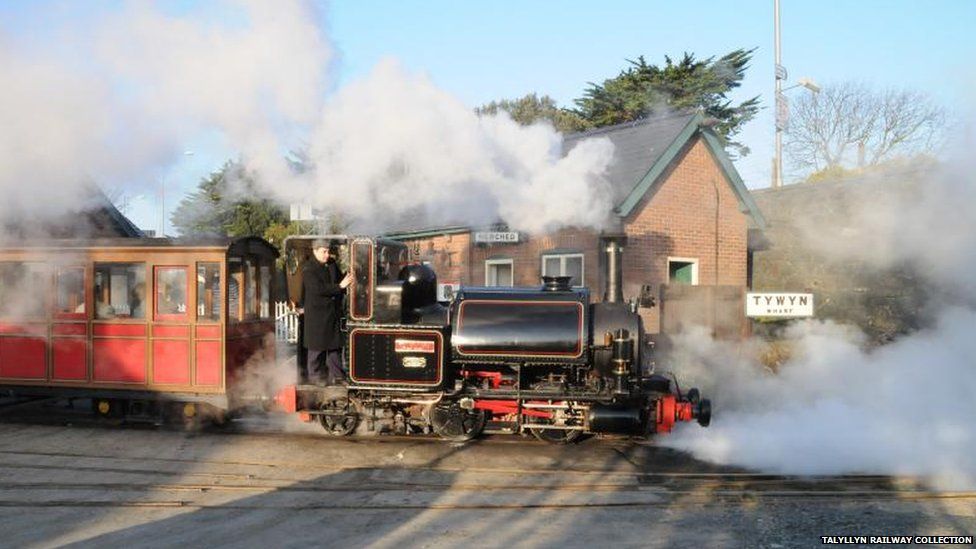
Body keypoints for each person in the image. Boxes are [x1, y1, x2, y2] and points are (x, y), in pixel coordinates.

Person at [302, 239, 353, 385]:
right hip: (317, 315)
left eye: (328, 251)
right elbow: (318, 289)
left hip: (332, 313)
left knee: (334, 348)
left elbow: (340, 279)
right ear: (315, 251)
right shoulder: (308, 269)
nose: (327, 254)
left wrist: (349, 275)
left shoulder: (331, 264)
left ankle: (338, 376)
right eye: (324, 252)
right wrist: (340, 286)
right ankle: (315, 378)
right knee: (316, 349)